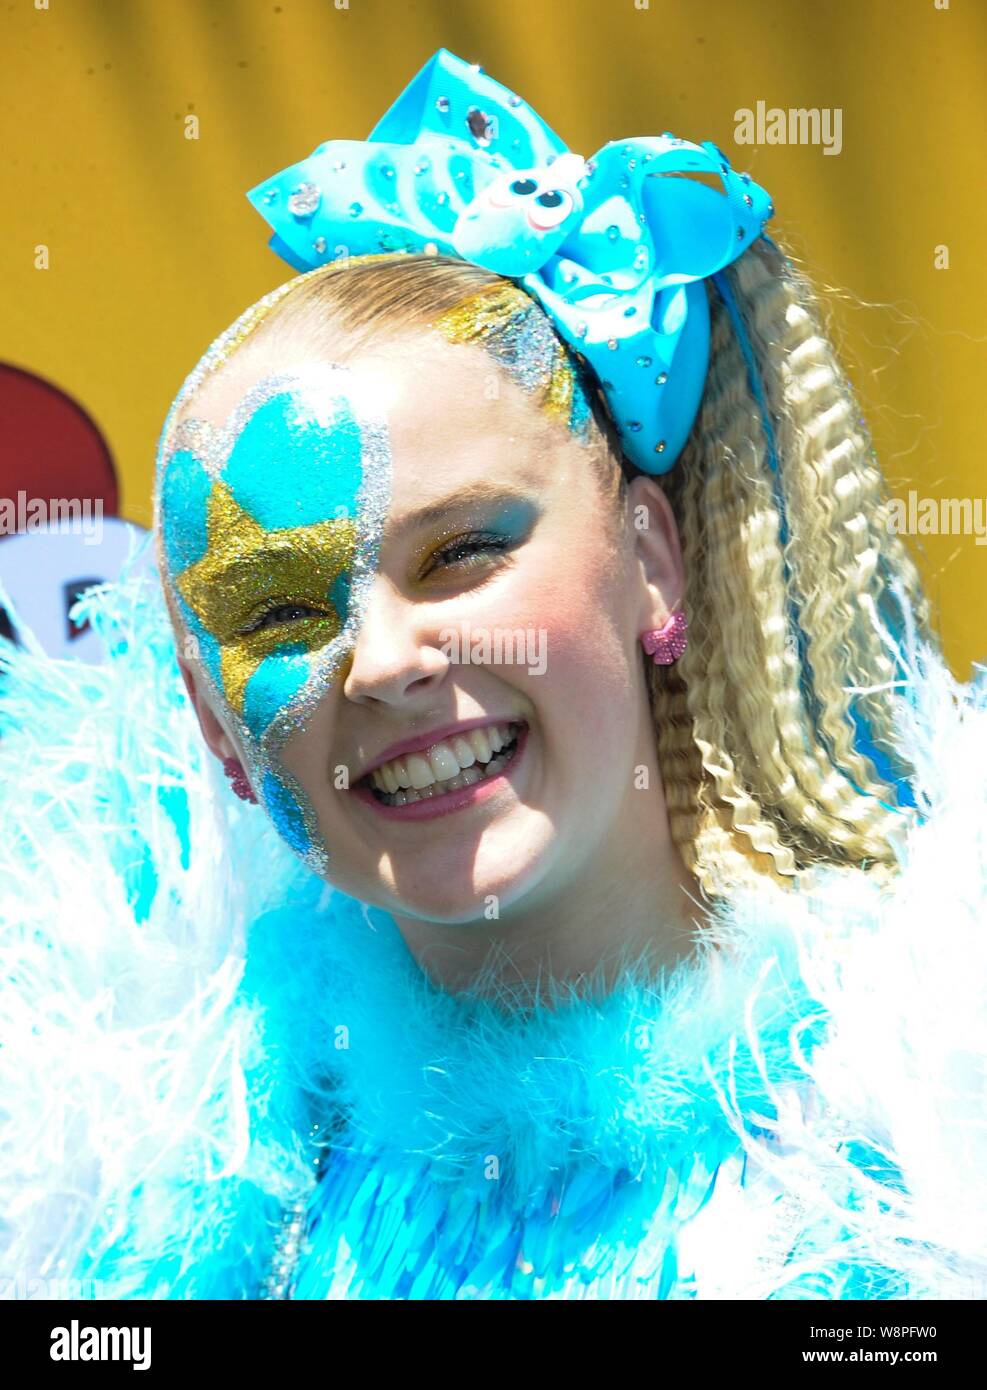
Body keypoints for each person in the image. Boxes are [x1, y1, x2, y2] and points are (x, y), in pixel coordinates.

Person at [1, 48, 985, 1302]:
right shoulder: (180, 1187)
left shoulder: (910, 1152)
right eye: (285, 611)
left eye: (463, 552)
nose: (387, 661)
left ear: (652, 562)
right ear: (215, 724)